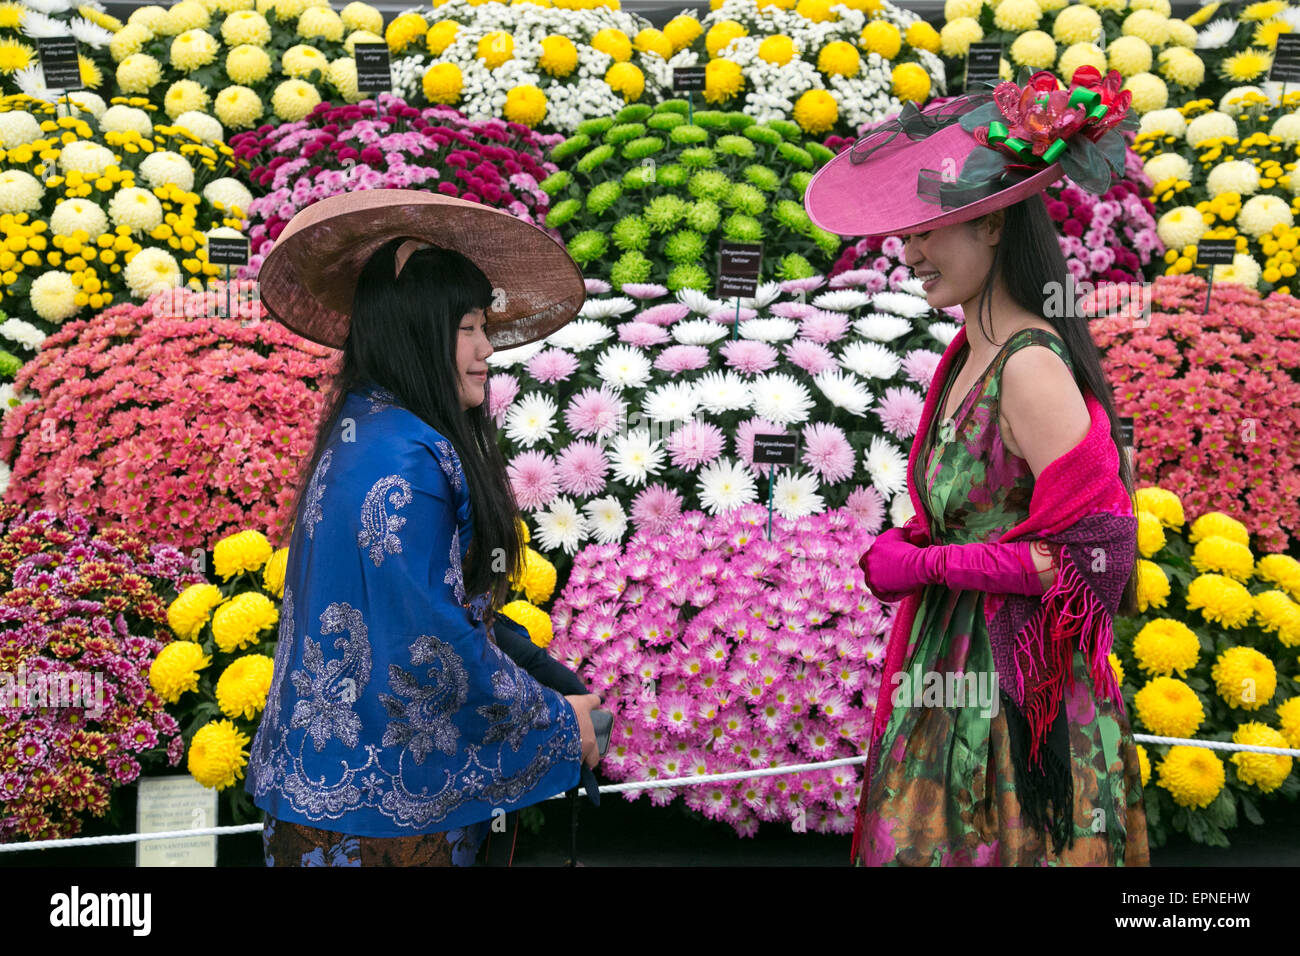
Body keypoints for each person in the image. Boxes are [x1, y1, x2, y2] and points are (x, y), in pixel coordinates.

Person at [804, 67, 1150, 866]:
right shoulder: (968, 353)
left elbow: (1098, 560)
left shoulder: (1028, 365)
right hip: (950, 671)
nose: (911, 250)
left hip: (1012, 695)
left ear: (993, 225)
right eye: (908, 232)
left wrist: (930, 562)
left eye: (930, 229)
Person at [245, 190, 601, 867]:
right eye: (468, 327)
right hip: (386, 824)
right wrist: (559, 724)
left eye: (483, 327)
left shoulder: (363, 428)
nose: (487, 349)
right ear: (418, 333)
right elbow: (429, 638)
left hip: (320, 794)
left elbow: (444, 603)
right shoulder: (408, 458)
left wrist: (547, 675)